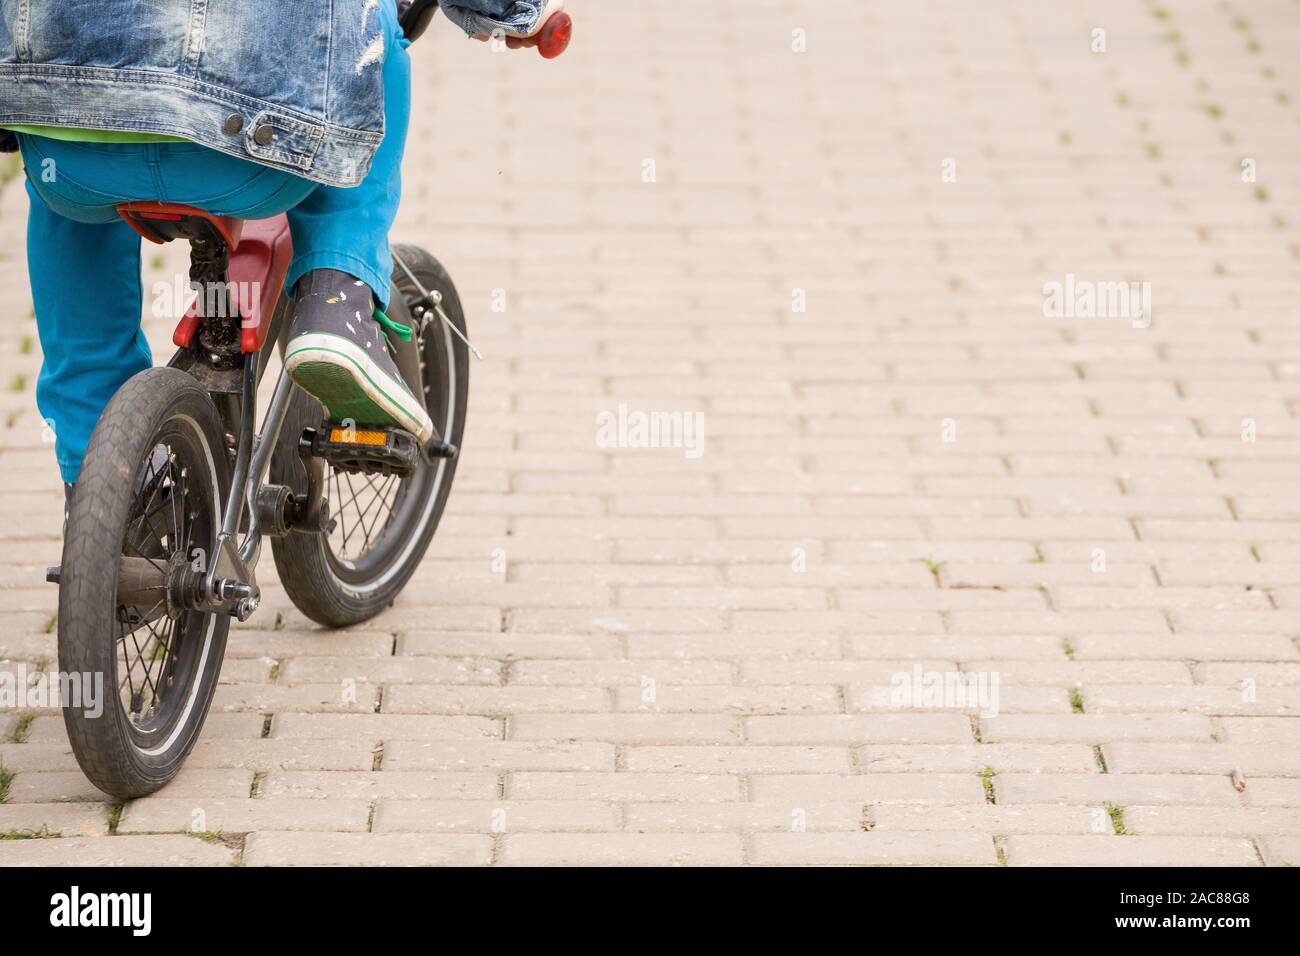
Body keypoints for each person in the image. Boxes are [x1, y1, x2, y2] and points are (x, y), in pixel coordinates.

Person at [0, 0, 564, 502]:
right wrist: (516, 14)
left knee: (62, 171)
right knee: (374, 35)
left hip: (75, 157)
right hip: (251, 150)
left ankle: (93, 474)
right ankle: (337, 298)